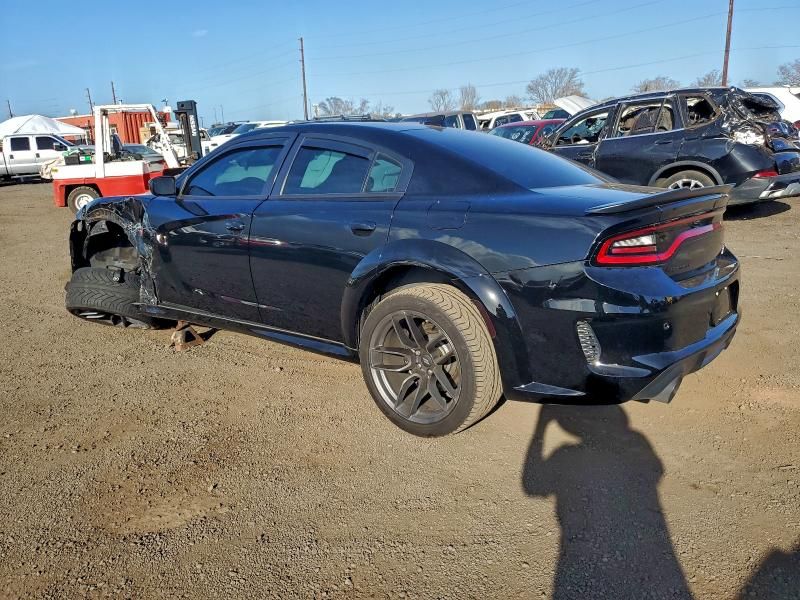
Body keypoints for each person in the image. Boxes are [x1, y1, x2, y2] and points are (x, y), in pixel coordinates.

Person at [522, 404, 692, 599]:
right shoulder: (635, 441)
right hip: (651, 559)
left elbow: (531, 486)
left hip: (577, 558)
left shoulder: (565, 454)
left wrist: (541, 425)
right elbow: (656, 470)